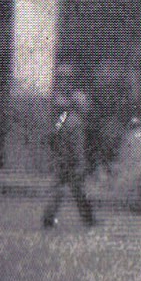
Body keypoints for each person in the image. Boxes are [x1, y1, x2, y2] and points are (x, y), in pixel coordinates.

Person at [42, 94, 96, 229]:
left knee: (60, 191)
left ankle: (48, 218)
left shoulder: (62, 119)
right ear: (80, 106)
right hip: (72, 162)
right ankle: (89, 220)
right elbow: (78, 146)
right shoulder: (77, 122)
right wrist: (81, 163)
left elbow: (52, 136)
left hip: (61, 160)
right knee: (79, 192)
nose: (87, 106)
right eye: (85, 104)